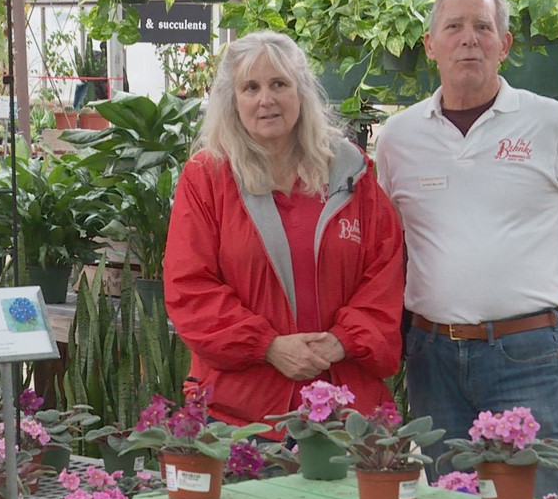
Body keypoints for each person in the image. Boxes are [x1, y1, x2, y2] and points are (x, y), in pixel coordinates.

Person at [375, 0, 558, 496]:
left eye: (483, 27)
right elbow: (383, 247)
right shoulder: (398, 137)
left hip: (526, 353)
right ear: (430, 45)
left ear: (504, 45)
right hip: (431, 356)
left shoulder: (549, 123)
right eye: (454, 27)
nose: (469, 39)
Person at [163, 30, 405, 434]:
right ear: (232, 100)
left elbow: (386, 273)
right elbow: (190, 287)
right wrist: (268, 347)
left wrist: (342, 340)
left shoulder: (350, 171)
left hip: (347, 409)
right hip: (243, 414)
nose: (266, 100)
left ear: (302, 92)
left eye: (279, 84)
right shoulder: (207, 178)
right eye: (251, 87)